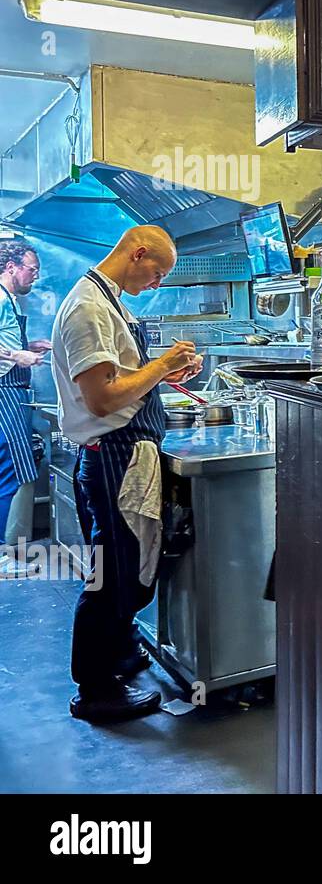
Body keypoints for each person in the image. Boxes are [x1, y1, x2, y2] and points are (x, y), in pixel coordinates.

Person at [52, 226, 203, 722]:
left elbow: (120, 380)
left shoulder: (105, 298)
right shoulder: (88, 309)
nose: (156, 283)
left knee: (130, 571)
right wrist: (161, 364)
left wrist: (162, 372)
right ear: (137, 253)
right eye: (156, 272)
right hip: (112, 458)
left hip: (124, 454)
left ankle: (116, 655)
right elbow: (101, 398)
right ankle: (95, 690)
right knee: (111, 577)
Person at [0, 241, 50, 578]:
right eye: (32, 269)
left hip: (12, 391)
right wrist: (18, 356)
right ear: (12, 266)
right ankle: (2, 558)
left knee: (9, 470)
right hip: (4, 392)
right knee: (10, 471)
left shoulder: (8, 301)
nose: (35, 275)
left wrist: (25, 347)